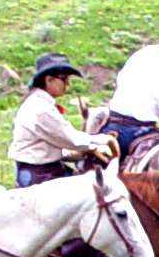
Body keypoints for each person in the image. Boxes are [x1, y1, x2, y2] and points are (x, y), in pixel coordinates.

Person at [93, 25, 159, 165]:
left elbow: (121, 79)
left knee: (91, 168)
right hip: (139, 130)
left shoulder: (146, 51)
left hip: (111, 125)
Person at [8, 53, 116, 188]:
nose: (67, 84)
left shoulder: (36, 103)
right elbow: (70, 139)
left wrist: (77, 153)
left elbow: (48, 144)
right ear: (49, 80)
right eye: (64, 79)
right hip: (41, 173)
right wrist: (103, 140)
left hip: (38, 169)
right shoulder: (40, 108)